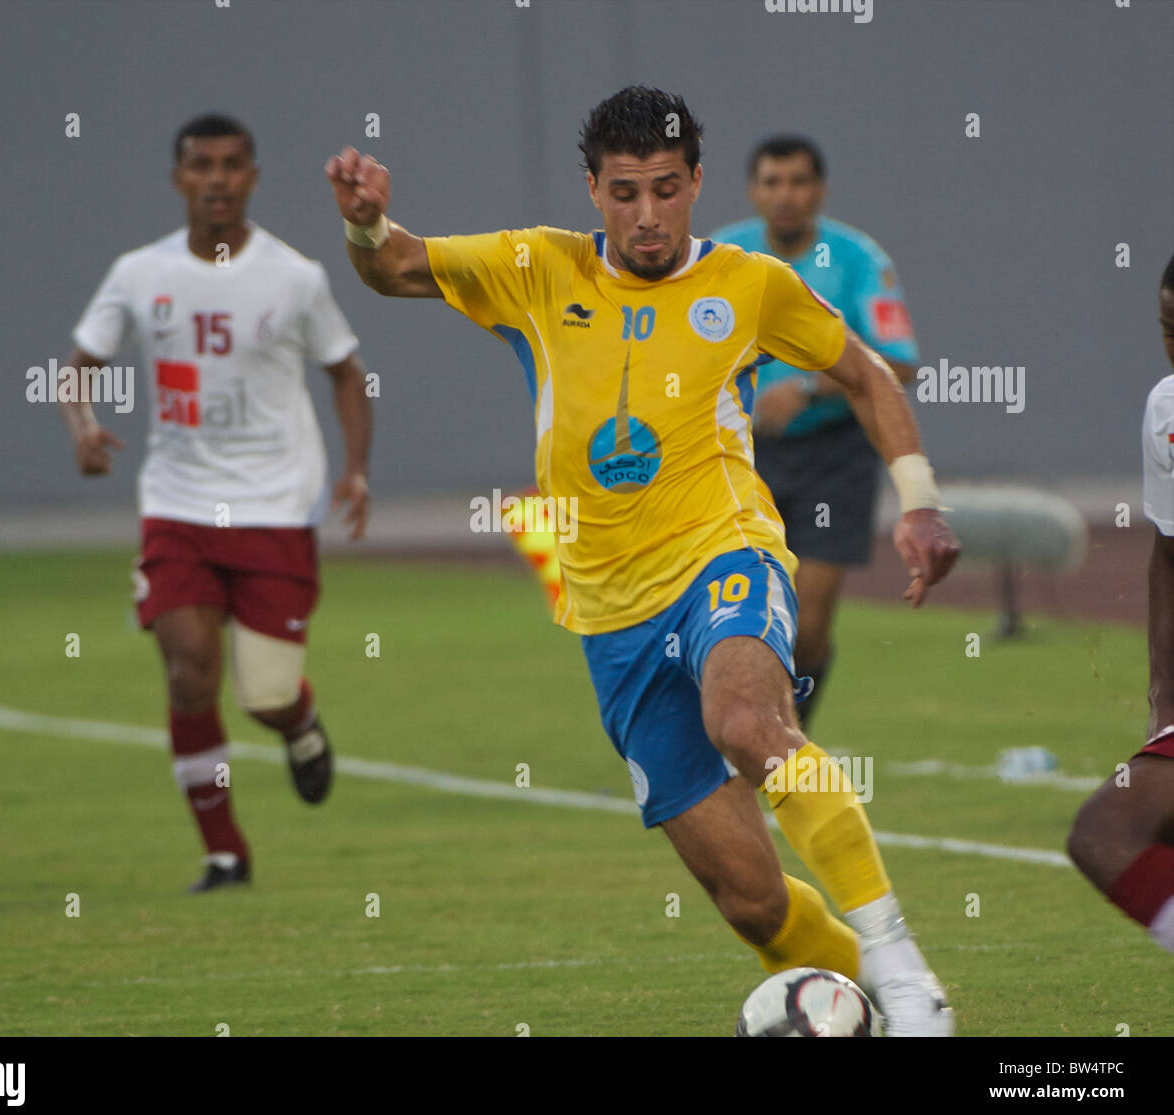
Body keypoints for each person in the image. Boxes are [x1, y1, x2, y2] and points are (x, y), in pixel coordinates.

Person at [325, 85, 960, 1035]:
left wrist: (918, 504)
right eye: (625, 193)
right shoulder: (537, 267)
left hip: (724, 550)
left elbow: (865, 374)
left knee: (746, 720)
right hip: (611, 613)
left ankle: (906, 980)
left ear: (698, 181)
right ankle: (869, 1003)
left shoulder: (748, 284)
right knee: (753, 903)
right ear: (592, 190)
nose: (649, 215)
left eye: (668, 189)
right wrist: (368, 226)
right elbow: (399, 269)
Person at [59, 113, 372, 893]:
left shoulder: (295, 277)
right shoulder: (140, 272)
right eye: (202, 165)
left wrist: (356, 471)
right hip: (179, 504)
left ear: (253, 178)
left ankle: (297, 721)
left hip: (274, 507)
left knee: (263, 695)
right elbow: (79, 364)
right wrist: (84, 427)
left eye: (233, 165)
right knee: (189, 673)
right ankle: (225, 853)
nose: (217, 179)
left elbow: (345, 372)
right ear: (179, 179)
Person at [710, 136, 919, 728]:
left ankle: (785, 740)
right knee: (732, 609)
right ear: (753, 190)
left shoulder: (858, 259)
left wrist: (804, 386)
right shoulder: (724, 255)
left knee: (812, 619)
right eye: (772, 182)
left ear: (820, 191)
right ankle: (738, 737)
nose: (785, 195)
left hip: (835, 454)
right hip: (742, 456)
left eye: (799, 182)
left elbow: (898, 363)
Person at [1068, 252, 1174, 953]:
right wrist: (1163, 696)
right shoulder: (1167, 408)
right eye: (1169, 327)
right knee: (1104, 835)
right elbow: (1169, 554)